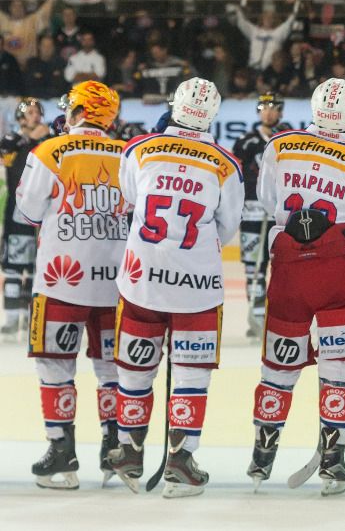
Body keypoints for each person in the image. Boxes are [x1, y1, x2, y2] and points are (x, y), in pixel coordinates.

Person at [247, 79, 345, 495]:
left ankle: (262, 452)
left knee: (279, 361)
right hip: (337, 268)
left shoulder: (280, 145)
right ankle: (332, 457)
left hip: (288, 265)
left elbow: (269, 201)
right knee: (340, 365)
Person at [107, 77, 242, 498]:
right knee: (191, 372)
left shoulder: (138, 148)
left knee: (134, 366)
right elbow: (228, 228)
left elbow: (130, 199)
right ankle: (181, 461)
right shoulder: (225, 163)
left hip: (141, 279)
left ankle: (128, 450)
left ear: (174, 106)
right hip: (196, 285)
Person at [17, 82, 125, 490]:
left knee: (55, 366)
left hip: (61, 281)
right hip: (116, 283)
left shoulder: (49, 150)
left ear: (79, 109)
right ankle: (115, 451)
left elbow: (27, 212)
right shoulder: (128, 154)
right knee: (112, 369)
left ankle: (62, 455)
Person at [232, 93, 286, 339]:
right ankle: (257, 318)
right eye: (264, 107)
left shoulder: (289, 140)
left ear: (281, 112)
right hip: (252, 215)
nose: (268, 112)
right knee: (254, 269)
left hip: (281, 216)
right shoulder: (245, 143)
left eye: (273, 108)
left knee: (284, 269)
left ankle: (280, 318)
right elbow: (236, 179)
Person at [0, 98, 50, 340]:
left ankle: (32, 319)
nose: (35, 116)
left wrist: (40, 139)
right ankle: (11, 320)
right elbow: (7, 160)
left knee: (35, 267)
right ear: (21, 117)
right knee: (12, 264)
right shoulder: (10, 140)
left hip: (44, 211)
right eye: (30, 112)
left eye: (38, 112)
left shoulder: (49, 141)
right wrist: (29, 139)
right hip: (16, 209)